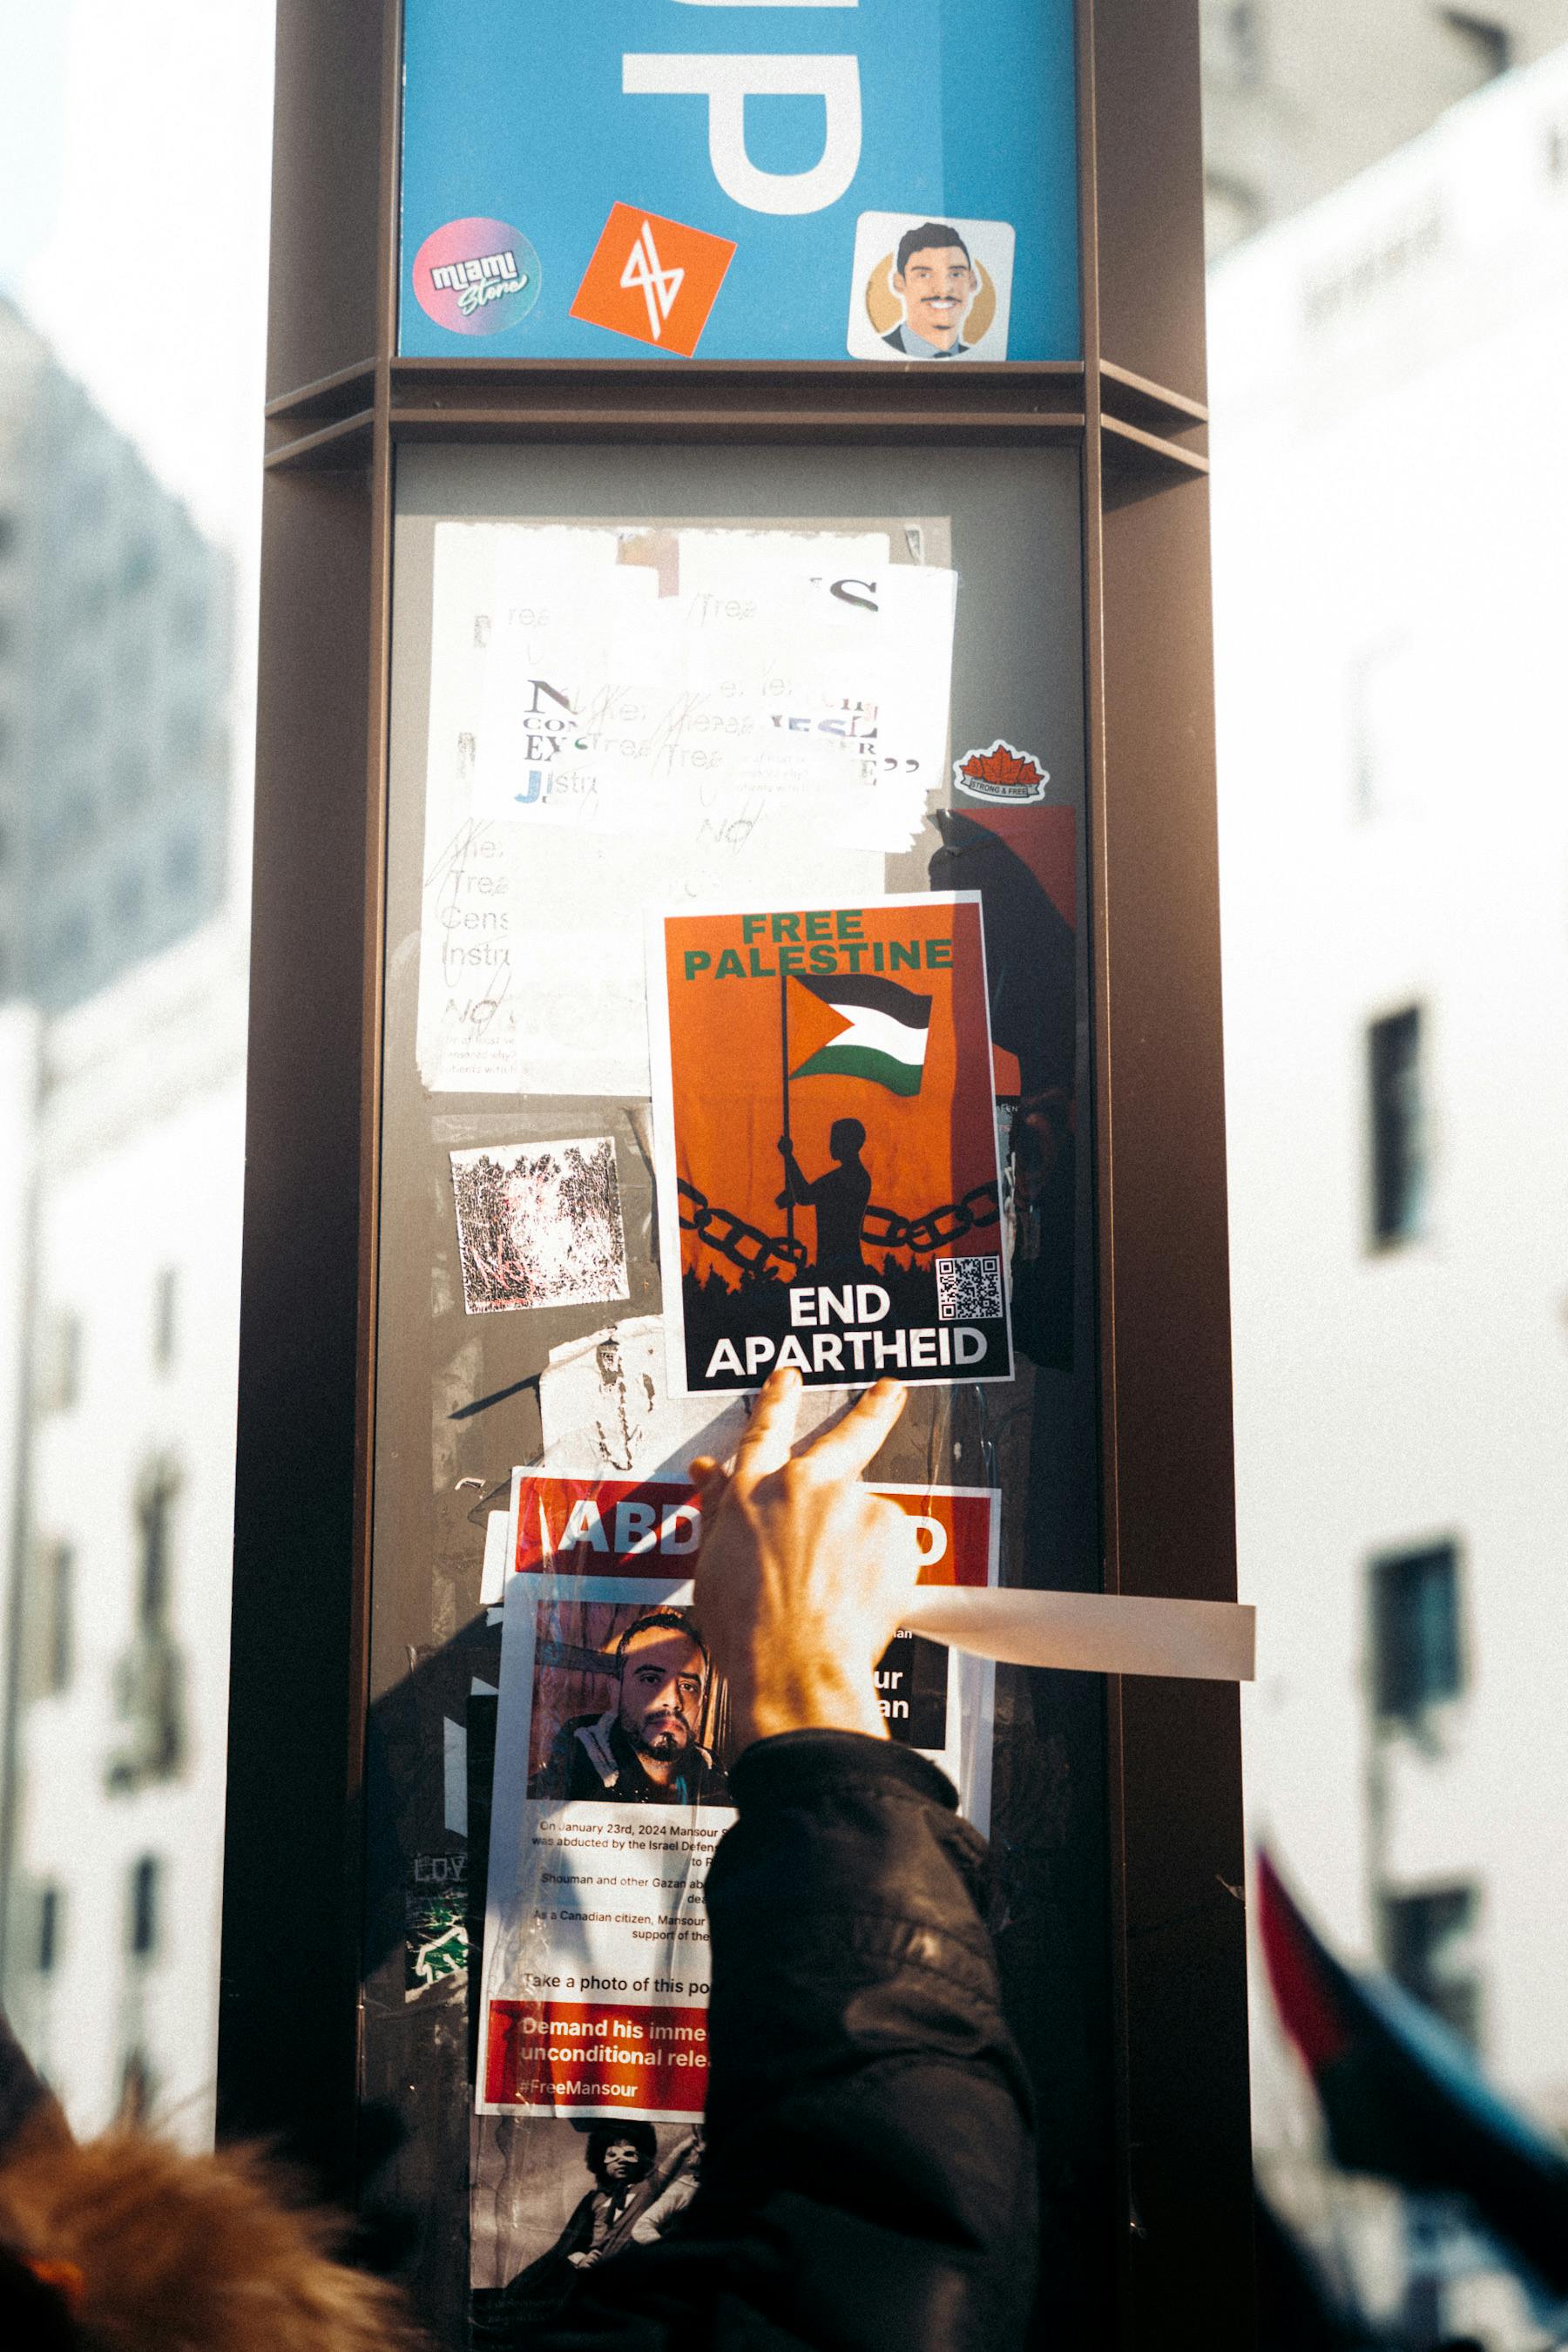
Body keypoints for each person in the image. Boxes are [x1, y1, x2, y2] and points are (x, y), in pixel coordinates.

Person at [529, 1366, 1038, 2349]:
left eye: (684, 1682)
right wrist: (802, 1680)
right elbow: (878, 2238)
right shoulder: (582, 1760)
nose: (666, 1703)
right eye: (645, 1680)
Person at [470, 2123, 660, 2336]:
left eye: (629, 2154)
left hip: (632, 2270)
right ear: (600, 2159)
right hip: (592, 2268)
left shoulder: (649, 2191)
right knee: (549, 2284)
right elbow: (570, 2243)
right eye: (612, 2155)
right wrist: (581, 2259)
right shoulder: (594, 2199)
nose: (621, 2160)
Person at [534, 1609, 730, 1804]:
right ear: (616, 1691)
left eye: (687, 1686)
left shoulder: (717, 1782)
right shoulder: (568, 1776)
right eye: (651, 1679)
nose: (673, 1701)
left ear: (701, 1703)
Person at [776, 1118, 872, 1277]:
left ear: (849, 1143)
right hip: (842, 1259)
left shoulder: (846, 1177)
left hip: (836, 1261)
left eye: (836, 1140)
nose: (831, 1146)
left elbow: (804, 1195)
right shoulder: (858, 1176)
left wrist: (788, 1155)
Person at [882, 221, 980, 357]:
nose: (944, 290)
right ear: (899, 283)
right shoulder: (872, 353)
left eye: (955, 274)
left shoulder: (983, 358)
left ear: (972, 281)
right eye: (924, 275)